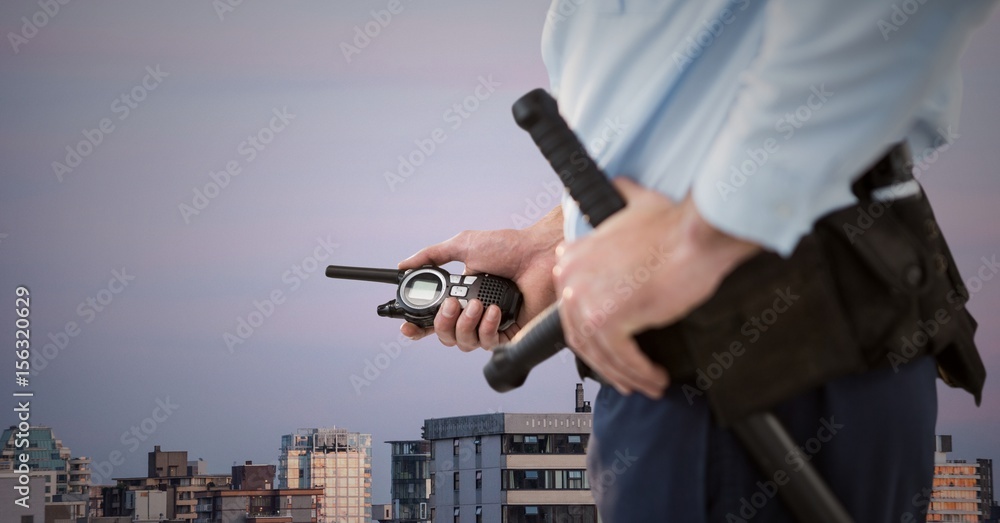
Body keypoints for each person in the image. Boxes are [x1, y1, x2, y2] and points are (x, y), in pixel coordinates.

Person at [398, 1, 995, 521]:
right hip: (672, 355)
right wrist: (559, 241)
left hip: (768, 344)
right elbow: (670, 113)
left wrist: (704, 236)